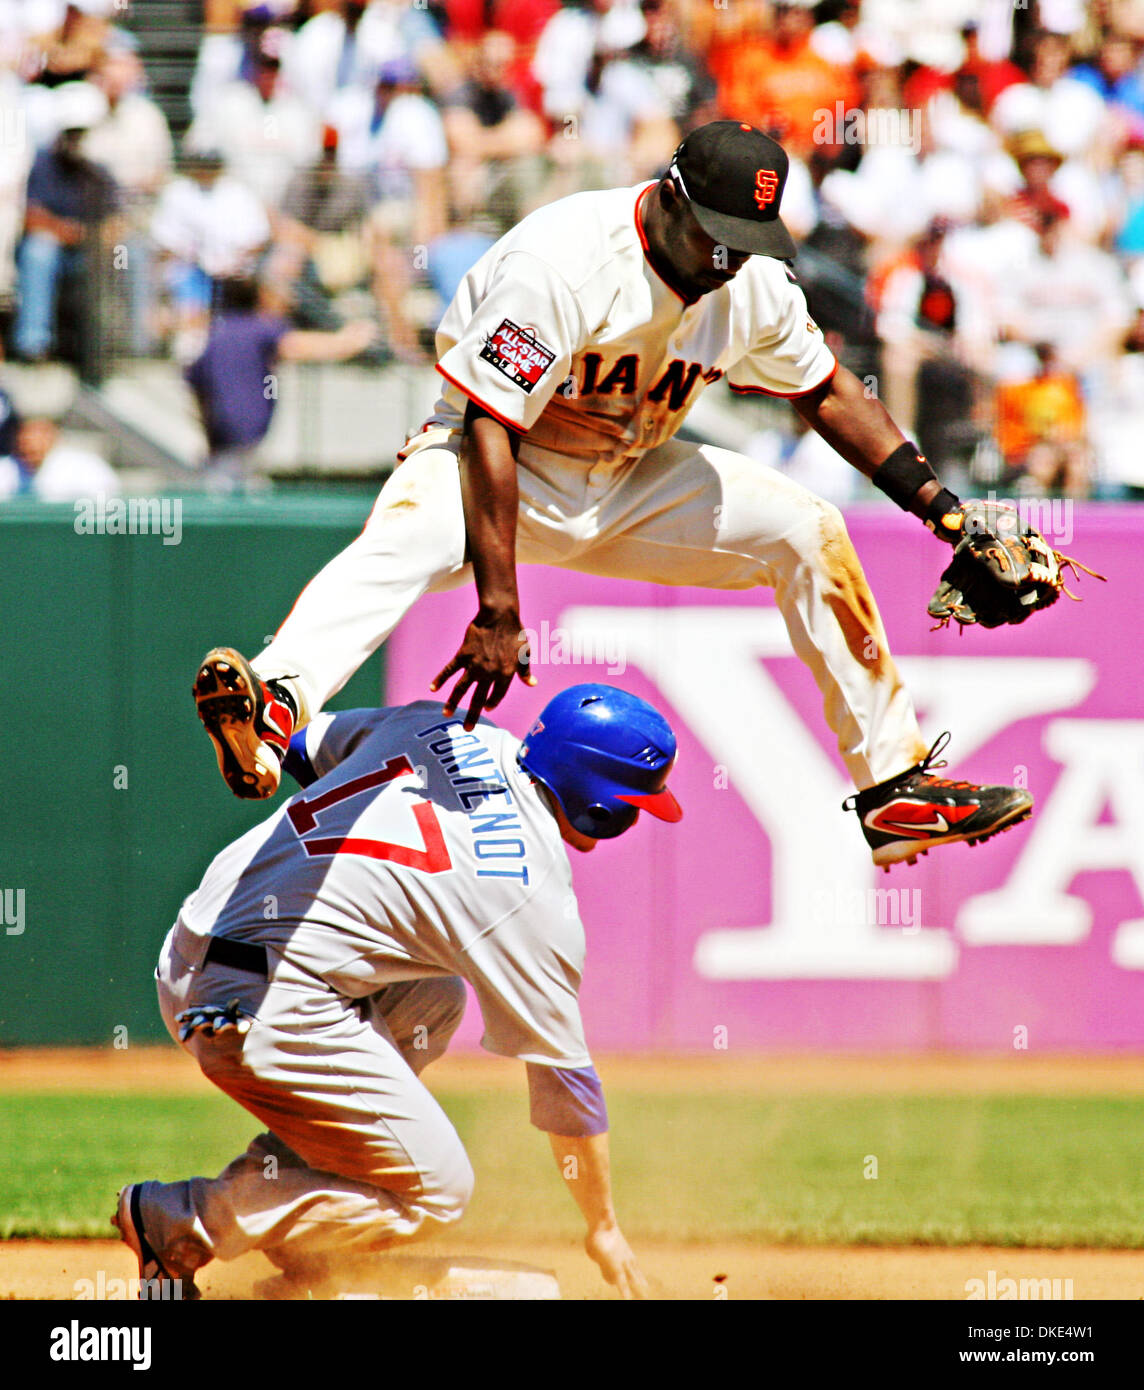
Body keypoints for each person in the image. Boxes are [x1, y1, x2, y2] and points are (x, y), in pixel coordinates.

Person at [191, 120, 1034, 871]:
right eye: (717, 234)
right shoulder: (563, 260)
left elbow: (826, 392)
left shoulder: (750, 286)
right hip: (498, 459)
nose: (729, 257)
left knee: (806, 530)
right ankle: (274, 704)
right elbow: (491, 424)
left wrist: (944, 511)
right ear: (669, 196)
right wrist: (497, 607)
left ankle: (893, 790)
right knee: (405, 539)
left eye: (747, 239)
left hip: (635, 476)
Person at [114, 684, 680, 1299]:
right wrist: (604, 1228)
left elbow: (301, 749)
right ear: (602, 803)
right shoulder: (532, 894)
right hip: (256, 1000)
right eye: (636, 802)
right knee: (437, 1193)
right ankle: (180, 1221)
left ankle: (304, 1221)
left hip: (198, 943)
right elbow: (566, 1091)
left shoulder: (454, 727)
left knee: (434, 1000)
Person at [185, 274, 375, 490]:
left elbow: (194, 382)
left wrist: (208, 430)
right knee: (236, 495)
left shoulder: (216, 335)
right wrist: (348, 341)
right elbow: (296, 345)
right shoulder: (260, 328)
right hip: (243, 433)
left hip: (221, 435)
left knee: (227, 485)